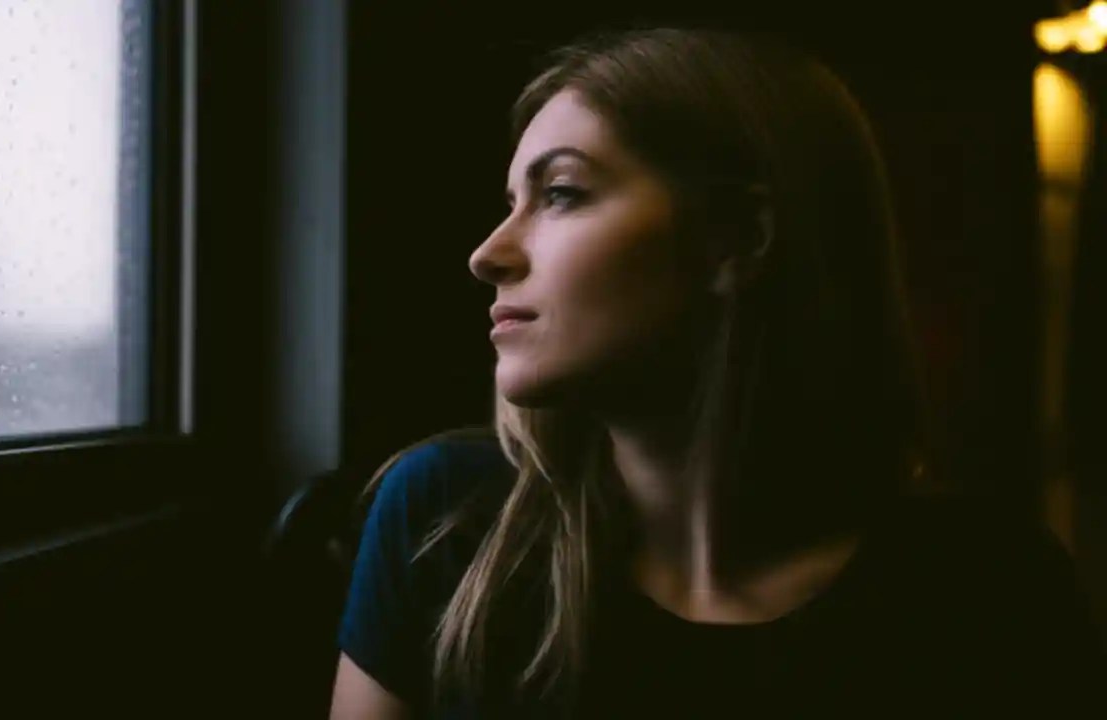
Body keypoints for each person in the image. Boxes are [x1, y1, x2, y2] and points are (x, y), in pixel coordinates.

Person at [329, 26, 1107, 718]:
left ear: (738, 238)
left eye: (561, 194)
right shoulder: (449, 525)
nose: (488, 253)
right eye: (510, 202)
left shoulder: (988, 595)